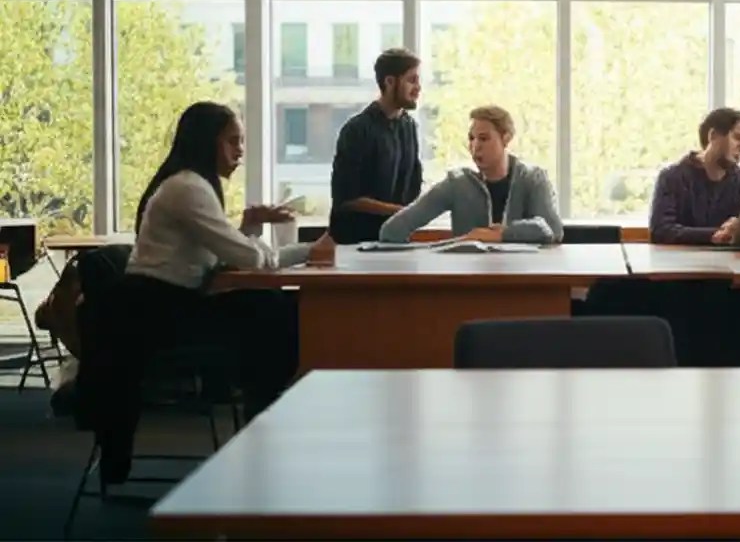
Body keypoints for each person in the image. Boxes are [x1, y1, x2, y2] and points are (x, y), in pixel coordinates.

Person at [87, 101, 334, 483]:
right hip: (153, 313)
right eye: (233, 141)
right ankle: (263, 425)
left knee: (271, 308)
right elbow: (248, 258)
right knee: (274, 312)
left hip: (157, 304)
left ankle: (262, 418)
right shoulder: (188, 188)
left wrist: (249, 228)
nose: (239, 151)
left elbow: (224, 254)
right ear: (208, 143)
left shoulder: (193, 184)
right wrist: (306, 250)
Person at [379, 105, 562, 244]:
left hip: (523, 283)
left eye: (483, 138)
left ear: (506, 138)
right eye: (471, 139)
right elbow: (392, 230)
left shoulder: (533, 178)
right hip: (469, 284)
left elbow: (553, 230)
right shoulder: (457, 183)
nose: (475, 147)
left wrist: (501, 234)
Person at [328, 48, 424, 244]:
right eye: (411, 80)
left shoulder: (409, 127)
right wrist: (401, 213)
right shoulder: (356, 130)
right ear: (389, 82)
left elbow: (413, 184)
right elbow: (346, 199)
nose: (418, 87)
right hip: (355, 244)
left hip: (395, 241)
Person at [649, 107, 740, 245]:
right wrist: (717, 234)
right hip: (683, 264)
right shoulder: (672, 178)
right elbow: (660, 231)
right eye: (737, 138)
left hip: (734, 264)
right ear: (713, 136)